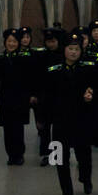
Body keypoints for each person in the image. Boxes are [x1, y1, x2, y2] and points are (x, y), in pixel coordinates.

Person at [43, 31, 98, 195]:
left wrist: (92, 93)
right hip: (60, 121)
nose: (74, 52)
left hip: (82, 119)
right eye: (70, 48)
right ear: (64, 50)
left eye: (76, 49)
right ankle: (66, 192)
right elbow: (47, 96)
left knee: (84, 155)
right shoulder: (54, 71)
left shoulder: (89, 68)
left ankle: (86, 178)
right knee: (60, 157)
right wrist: (44, 119)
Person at [0, 28, 33, 165]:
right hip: (5, 98)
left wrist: (31, 95)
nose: (11, 44)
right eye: (9, 41)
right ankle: (11, 154)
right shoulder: (0, 59)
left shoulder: (24, 58)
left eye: (14, 41)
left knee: (18, 128)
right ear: (5, 42)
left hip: (20, 98)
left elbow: (30, 79)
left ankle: (19, 154)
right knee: (7, 128)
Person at [34, 27, 64, 165]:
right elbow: (36, 77)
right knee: (44, 128)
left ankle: (57, 155)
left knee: (58, 128)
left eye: (53, 41)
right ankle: (46, 154)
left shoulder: (63, 55)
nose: (50, 44)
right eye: (48, 41)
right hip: (45, 97)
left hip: (59, 97)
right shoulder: (42, 56)